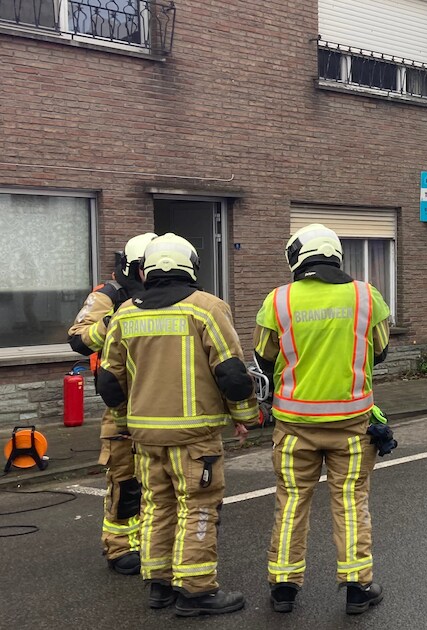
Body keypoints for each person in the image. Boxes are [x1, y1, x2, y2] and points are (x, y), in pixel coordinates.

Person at [97, 233, 258, 617]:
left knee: (156, 506)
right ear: (191, 265)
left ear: (146, 270)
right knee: (198, 507)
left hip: (144, 437)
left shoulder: (125, 315)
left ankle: (160, 586)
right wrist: (245, 416)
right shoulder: (207, 309)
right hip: (194, 436)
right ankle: (197, 591)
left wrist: (123, 420)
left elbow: (108, 381)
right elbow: (232, 373)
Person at [253, 224, 392, 615]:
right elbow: (379, 351)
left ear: (297, 258)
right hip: (351, 425)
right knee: (350, 503)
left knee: (292, 503)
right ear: (335, 254)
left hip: (294, 426)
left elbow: (263, 358)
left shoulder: (278, 301)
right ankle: (356, 589)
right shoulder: (366, 296)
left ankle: (283, 589)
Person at [66, 231, 156, 576]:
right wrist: (113, 323)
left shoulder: (168, 293)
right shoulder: (109, 295)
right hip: (122, 401)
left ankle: (156, 542)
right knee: (125, 480)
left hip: (161, 399)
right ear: (134, 268)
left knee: (161, 480)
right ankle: (119, 548)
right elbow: (78, 339)